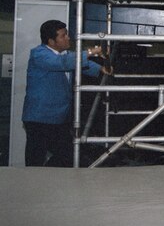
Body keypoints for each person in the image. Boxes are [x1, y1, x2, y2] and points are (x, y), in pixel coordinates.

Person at [22, 20, 110, 168]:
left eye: (67, 34)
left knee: (67, 155)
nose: (68, 38)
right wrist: (91, 51)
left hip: (58, 118)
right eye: (63, 36)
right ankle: (33, 185)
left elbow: (79, 63)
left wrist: (102, 69)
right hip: (39, 119)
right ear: (51, 41)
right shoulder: (39, 54)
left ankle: (45, 178)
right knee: (36, 160)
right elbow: (64, 63)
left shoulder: (65, 54)